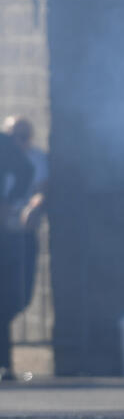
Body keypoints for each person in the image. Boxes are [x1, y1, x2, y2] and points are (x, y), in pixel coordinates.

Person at [0, 120, 34, 381]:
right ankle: (5, 364)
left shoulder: (22, 162)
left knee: (14, 298)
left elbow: (26, 175)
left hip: (12, 237)